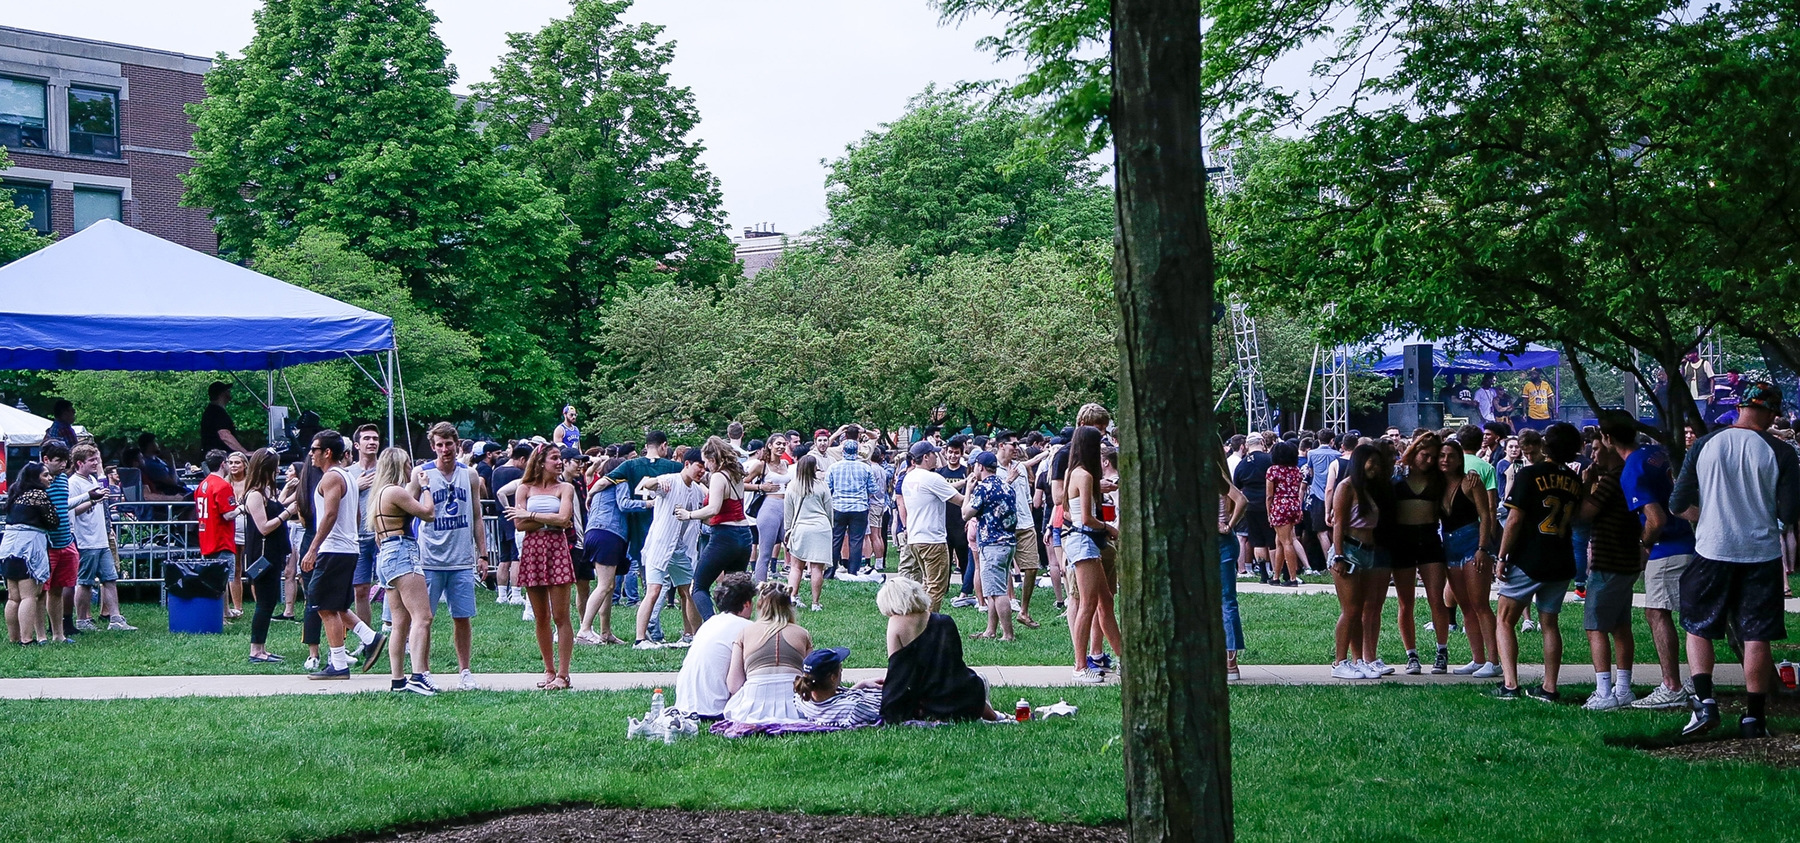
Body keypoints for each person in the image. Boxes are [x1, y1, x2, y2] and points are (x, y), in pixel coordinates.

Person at [1669, 381, 1798, 738]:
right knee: (1757, 633)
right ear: (1772, 414)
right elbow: (1788, 512)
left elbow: (1678, 504)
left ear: (1740, 407)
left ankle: (1706, 703)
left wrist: (1708, 516)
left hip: (1712, 549)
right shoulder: (1781, 452)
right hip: (1761, 553)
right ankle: (1755, 718)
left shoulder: (1706, 444)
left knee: (1698, 624)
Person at [1602, 419, 1695, 710]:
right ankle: (1697, 681)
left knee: (1656, 612)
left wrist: (1645, 543)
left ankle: (1672, 686)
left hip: (1666, 549)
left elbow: (1656, 519)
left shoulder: (1632, 469)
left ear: (1607, 438)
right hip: (1690, 541)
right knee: (1691, 617)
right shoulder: (1655, 454)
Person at [1492, 422, 1582, 700]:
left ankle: (1510, 685)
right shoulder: (1575, 478)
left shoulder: (1529, 474)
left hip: (1529, 557)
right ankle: (1549, 687)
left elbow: (1515, 519)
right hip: (1560, 556)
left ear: (1546, 445)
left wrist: (1502, 556)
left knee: (1505, 619)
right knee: (1549, 624)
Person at [301, 430, 385, 679]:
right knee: (336, 604)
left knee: (323, 605)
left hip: (333, 549)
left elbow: (329, 514)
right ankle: (371, 638)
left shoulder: (330, 478)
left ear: (327, 452)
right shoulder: (348, 476)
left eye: (314, 450)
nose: (311, 454)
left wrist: (313, 548)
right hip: (348, 547)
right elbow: (357, 514)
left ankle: (338, 663)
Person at [418, 422, 491, 690]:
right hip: (429, 557)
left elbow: (477, 516)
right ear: (433, 446)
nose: (445, 449)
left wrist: (482, 554)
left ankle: (465, 670)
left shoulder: (469, 475)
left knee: (462, 617)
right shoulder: (421, 474)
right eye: (439, 444)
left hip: (461, 558)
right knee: (424, 618)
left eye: (449, 444)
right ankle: (422, 670)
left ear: (457, 444)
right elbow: (407, 507)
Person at [361, 447, 439, 695]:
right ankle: (417, 676)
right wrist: (425, 487)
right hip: (402, 551)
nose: (411, 469)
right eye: (408, 464)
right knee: (423, 616)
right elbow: (428, 513)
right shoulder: (395, 491)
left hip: (386, 554)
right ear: (398, 465)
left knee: (400, 622)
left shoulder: (380, 494)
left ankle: (398, 680)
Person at [502, 444, 579, 689]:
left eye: (561, 458)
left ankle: (563, 674)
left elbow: (564, 519)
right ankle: (548, 669)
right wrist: (547, 521)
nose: (560, 462)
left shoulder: (566, 488)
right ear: (540, 461)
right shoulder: (524, 488)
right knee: (541, 616)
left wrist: (532, 516)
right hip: (532, 550)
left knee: (560, 615)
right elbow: (518, 525)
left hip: (557, 549)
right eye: (555, 458)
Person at [877, 577, 1002, 723]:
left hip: (922, 700)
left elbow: (896, 668)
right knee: (977, 681)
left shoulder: (896, 623)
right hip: (956, 694)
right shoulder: (945, 621)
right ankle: (996, 717)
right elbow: (955, 667)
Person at [1575, 436, 1642, 710]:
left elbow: (1583, 513)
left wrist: (1585, 483)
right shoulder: (1626, 476)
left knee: (1595, 626)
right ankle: (1623, 688)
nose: (1593, 455)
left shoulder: (1611, 481)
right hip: (1626, 561)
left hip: (1608, 562)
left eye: (1597, 449)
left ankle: (1604, 692)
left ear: (1612, 448)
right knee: (1620, 625)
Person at [594, 431, 682, 612]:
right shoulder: (674, 467)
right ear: (664, 445)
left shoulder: (629, 465)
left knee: (646, 575)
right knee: (672, 580)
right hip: (666, 527)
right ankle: (659, 621)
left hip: (639, 528)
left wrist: (590, 495)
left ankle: (649, 622)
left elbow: (603, 482)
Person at [1387, 433, 1452, 676]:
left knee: (1437, 598)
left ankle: (1441, 651)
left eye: (1433, 457)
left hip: (1429, 539)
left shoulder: (1438, 480)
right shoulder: (1396, 475)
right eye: (1425, 455)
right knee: (1406, 602)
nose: (1428, 460)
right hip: (1401, 540)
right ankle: (1411, 654)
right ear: (1414, 452)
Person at [632, 447, 708, 649]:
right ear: (687, 464)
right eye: (699, 466)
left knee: (688, 591)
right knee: (654, 590)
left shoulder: (698, 489)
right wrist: (656, 481)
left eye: (704, 468)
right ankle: (640, 639)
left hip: (681, 549)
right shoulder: (670, 480)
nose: (702, 471)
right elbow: (645, 486)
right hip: (661, 545)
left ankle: (690, 635)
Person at [1063, 426, 1123, 683]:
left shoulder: (1073, 473)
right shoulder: (1085, 475)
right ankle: (1079, 666)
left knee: (1105, 600)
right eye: (1098, 446)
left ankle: (1125, 659)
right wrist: (1109, 528)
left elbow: (1071, 510)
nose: (1102, 451)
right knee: (1087, 604)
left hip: (1084, 540)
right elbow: (1086, 518)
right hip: (1083, 540)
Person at [1330, 444, 1390, 679]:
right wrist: (1338, 555)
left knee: (1360, 608)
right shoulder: (1346, 488)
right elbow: (1338, 524)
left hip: (1367, 552)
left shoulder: (1367, 489)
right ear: (1358, 462)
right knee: (1351, 609)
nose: (1374, 467)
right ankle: (1339, 662)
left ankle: (1358, 660)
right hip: (1348, 551)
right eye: (1370, 462)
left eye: (1377, 463)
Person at [680, 437, 756, 620]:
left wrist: (689, 514)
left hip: (724, 536)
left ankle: (711, 625)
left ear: (713, 458)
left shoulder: (719, 477)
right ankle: (736, 628)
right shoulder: (736, 474)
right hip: (745, 536)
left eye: (705, 461)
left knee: (698, 586)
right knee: (734, 591)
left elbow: (713, 508)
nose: (705, 466)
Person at [1440, 441, 1499, 678]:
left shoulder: (1471, 481)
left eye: (1451, 456)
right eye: (1441, 456)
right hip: (1449, 546)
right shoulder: (1435, 484)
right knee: (1465, 605)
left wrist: (1483, 548)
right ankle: (1477, 658)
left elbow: (1486, 515)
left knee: (1480, 604)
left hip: (1472, 542)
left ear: (1459, 458)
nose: (1445, 460)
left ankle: (1493, 660)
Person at [722, 580, 811, 723]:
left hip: (754, 704)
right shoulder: (802, 633)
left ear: (759, 604)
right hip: (794, 703)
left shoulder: (745, 633)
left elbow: (734, 685)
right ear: (789, 606)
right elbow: (811, 677)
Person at [673, 572, 757, 719]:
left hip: (684, 706)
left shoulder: (710, 623)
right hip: (714, 710)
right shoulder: (746, 628)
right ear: (747, 603)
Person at [67, 443, 132, 632]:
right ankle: (82, 620)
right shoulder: (73, 483)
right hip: (86, 540)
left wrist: (107, 527)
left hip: (102, 539)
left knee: (110, 579)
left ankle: (116, 618)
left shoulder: (93, 480)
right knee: (85, 582)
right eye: (92, 460)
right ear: (80, 463)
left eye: (97, 459)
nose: (96, 463)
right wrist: (91, 500)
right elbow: (73, 510)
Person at [241, 449, 296, 663]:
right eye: (276, 466)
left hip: (273, 554)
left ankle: (262, 648)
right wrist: (287, 513)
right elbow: (263, 527)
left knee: (270, 601)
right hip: (261, 557)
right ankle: (255, 650)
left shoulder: (267, 491)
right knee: (264, 603)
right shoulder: (255, 494)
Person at [897, 440, 964, 613]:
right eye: (934, 454)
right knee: (936, 586)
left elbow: (943, 489)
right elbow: (960, 501)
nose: (937, 457)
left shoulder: (908, 477)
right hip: (933, 539)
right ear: (926, 457)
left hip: (915, 538)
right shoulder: (932, 478)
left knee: (927, 582)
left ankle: (919, 618)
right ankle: (928, 624)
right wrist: (971, 489)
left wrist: (964, 483)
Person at [962, 450, 1018, 642]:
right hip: (1008, 543)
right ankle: (990, 630)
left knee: (997, 592)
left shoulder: (983, 488)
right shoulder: (1007, 486)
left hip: (992, 544)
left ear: (980, 467)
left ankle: (1008, 634)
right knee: (993, 589)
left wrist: (968, 489)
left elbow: (965, 514)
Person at [3, 463, 54, 645]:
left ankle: (13, 638)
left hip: (9, 546)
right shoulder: (38, 495)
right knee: (29, 596)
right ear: (35, 478)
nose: (50, 478)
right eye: (46, 475)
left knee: (13, 596)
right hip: (27, 547)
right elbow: (53, 520)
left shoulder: (16, 494)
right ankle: (26, 638)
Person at [784, 454, 835, 611]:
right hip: (820, 528)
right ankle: (815, 603)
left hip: (800, 528)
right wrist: (830, 526)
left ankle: (793, 597)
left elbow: (788, 512)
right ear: (814, 468)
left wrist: (788, 530)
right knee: (816, 568)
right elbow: (829, 509)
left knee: (795, 567)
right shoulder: (821, 485)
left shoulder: (792, 486)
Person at [827, 439, 882, 579]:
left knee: (835, 540)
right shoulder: (865, 467)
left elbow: (828, 488)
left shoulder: (834, 467)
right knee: (856, 540)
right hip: (859, 507)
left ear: (843, 451)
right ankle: (853, 572)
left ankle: (830, 571)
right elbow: (874, 489)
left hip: (838, 507)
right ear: (857, 451)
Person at [40, 441, 77, 639]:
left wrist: (88, 497)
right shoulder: (36, 479)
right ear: (46, 460)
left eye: (65, 460)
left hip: (65, 540)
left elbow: (65, 505)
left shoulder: (63, 479)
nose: (63, 465)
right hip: (46, 544)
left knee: (57, 589)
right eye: (58, 461)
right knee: (39, 593)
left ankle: (58, 634)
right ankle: (40, 635)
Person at [794, 646, 884, 727]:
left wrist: (862, 684)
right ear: (833, 677)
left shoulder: (801, 700)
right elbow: (886, 714)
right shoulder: (853, 709)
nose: (841, 670)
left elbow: (835, 704)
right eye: (840, 668)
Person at [746, 438, 792, 583]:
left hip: (787, 508)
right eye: (778, 444)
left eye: (784, 444)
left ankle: (793, 591)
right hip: (769, 507)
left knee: (793, 548)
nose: (781, 447)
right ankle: (762, 588)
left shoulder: (786, 464)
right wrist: (761, 487)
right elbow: (742, 484)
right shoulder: (762, 465)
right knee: (765, 552)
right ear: (770, 446)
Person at [491, 442, 531, 607]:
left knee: (504, 557)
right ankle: (515, 594)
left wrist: (505, 508)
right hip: (515, 518)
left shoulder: (496, 471)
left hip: (501, 516)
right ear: (522, 459)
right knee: (517, 557)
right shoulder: (519, 473)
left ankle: (501, 595)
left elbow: (498, 492)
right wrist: (512, 509)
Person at [1233, 433, 1275, 583]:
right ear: (1262, 442)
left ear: (1247, 445)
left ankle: (1263, 574)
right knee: (1272, 540)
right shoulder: (1269, 459)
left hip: (1250, 506)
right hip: (1268, 504)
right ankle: (1276, 574)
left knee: (1257, 540)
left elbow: (1236, 486)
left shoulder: (1242, 464)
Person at [1265, 440, 1306, 587]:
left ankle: (1292, 578)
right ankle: (1276, 576)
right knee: (1280, 541)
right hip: (1294, 505)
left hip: (1279, 505)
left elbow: (1269, 495)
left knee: (1286, 542)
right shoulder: (1296, 470)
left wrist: (1269, 512)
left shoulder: (1273, 470)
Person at [200, 381, 249, 455]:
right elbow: (225, 436)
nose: (229, 392)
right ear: (222, 393)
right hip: (219, 459)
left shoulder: (212, 411)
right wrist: (244, 453)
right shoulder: (217, 412)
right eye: (227, 390)